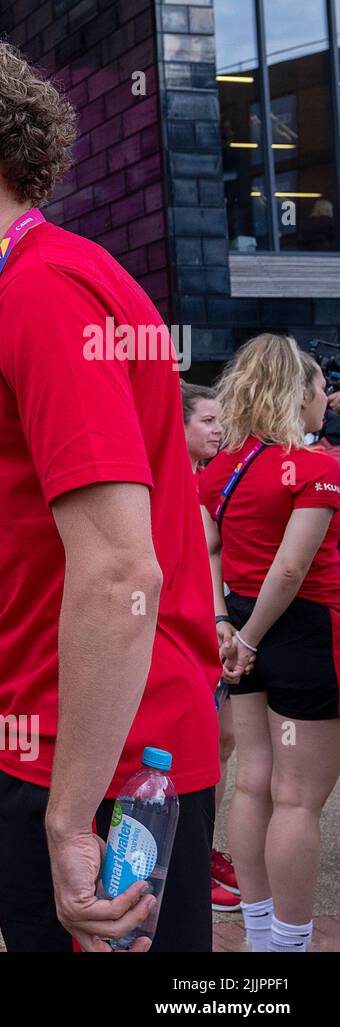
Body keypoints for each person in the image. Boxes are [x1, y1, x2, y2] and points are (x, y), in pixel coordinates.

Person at [0, 39, 220, 950]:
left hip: (106, 764)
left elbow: (117, 569)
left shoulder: (43, 294)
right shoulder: (43, 284)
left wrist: (69, 821)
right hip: (92, 744)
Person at [197, 335, 340, 953]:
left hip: (242, 626)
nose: (324, 398)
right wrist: (248, 636)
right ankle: (289, 946)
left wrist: (225, 626)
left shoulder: (220, 470)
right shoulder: (317, 468)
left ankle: (260, 937)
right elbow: (292, 568)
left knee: (254, 781)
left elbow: (210, 551)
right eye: (316, 387)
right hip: (303, 631)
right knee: (299, 799)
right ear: (296, 393)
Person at [181, 381, 241, 912]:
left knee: (221, 741)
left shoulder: (215, 479)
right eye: (207, 420)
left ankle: (202, 848)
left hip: (215, 628)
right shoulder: (173, 484)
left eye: (221, 420)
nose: (218, 430)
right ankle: (190, 860)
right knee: (196, 746)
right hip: (187, 633)